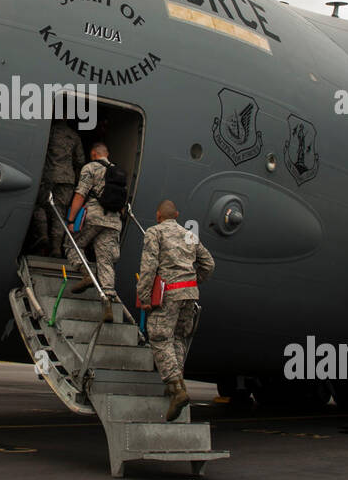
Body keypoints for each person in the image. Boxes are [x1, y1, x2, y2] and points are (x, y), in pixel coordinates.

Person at [136, 199, 215, 421]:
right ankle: (177, 386)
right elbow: (209, 263)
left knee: (159, 336)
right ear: (177, 215)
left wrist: (144, 297)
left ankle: (176, 389)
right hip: (190, 294)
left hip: (169, 294)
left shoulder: (155, 232)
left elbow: (149, 267)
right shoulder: (189, 234)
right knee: (179, 337)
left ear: (158, 216)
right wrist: (194, 281)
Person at [65, 142, 123, 319]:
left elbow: (80, 194)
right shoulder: (118, 172)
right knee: (105, 260)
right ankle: (107, 300)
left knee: (72, 244)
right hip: (113, 221)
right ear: (107, 154)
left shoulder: (90, 168)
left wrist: (71, 219)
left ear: (93, 153)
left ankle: (86, 274)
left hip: (94, 217)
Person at [29, 118, 86, 257]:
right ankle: (56, 248)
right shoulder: (74, 136)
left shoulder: (48, 132)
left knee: (39, 205)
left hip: (49, 176)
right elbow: (80, 161)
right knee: (59, 212)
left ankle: (42, 236)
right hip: (67, 179)